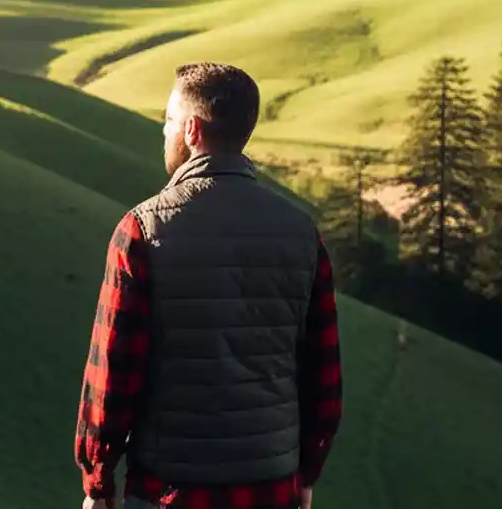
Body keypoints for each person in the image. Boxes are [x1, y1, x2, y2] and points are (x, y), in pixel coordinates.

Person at [75, 63, 343, 509]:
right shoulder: (302, 233)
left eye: (168, 120)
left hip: (170, 490)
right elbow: (323, 374)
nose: (163, 132)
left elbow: (113, 373)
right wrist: (307, 474)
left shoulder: (142, 230)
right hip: (271, 487)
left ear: (193, 130)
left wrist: (97, 481)